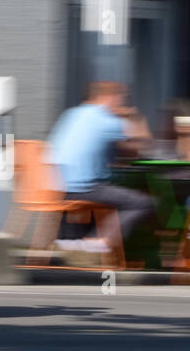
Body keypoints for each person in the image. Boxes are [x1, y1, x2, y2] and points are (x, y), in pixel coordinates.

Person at [46, 81, 155, 249]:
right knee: (142, 202)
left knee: (104, 195)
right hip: (81, 188)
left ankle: (72, 244)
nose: (122, 103)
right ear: (110, 97)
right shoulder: (104, 119)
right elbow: (143, 143)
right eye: (121, 99)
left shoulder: (71, 114)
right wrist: (134, 117)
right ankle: (94, 245)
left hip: (54, 187)